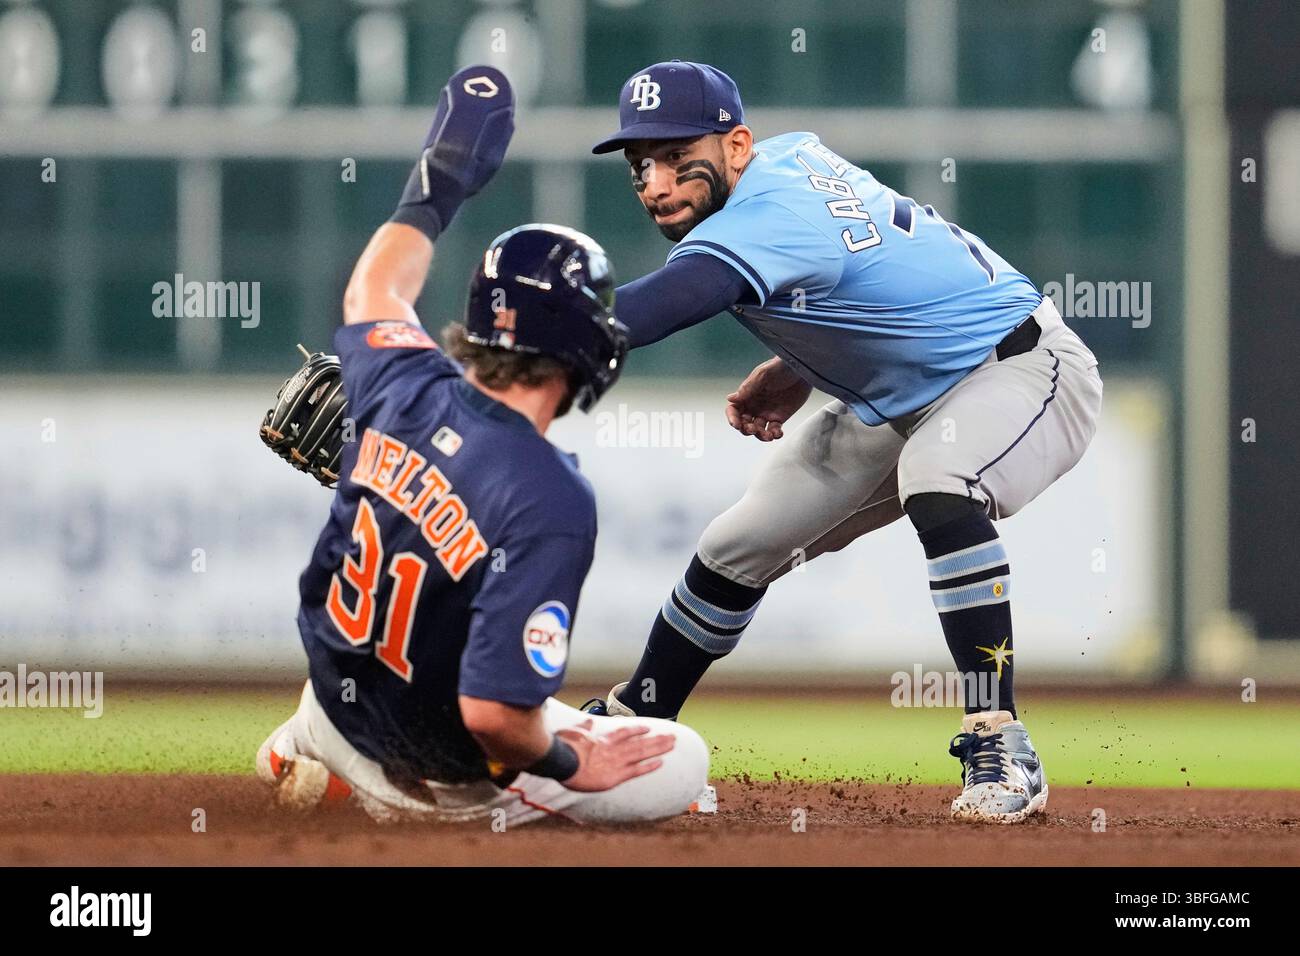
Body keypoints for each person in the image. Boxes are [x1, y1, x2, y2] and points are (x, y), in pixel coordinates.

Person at [582, 60, 1104, 823]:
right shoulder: (789, 156)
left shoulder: (763, 217)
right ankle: (637, 729)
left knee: (940, 476)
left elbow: (650, 313)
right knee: (738, 545)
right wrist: (796, 365)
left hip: (1023, 367)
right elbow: (869, 268)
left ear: (735, 145)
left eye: (674, 154)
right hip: (904, 395)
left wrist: (499, 337)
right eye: (641, 165)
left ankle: (1000, 738)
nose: (657, 182)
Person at [255, 65, 708, 825]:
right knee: (682, 764)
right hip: (430, 769)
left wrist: (445, 173)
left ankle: (306, 743)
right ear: (584, 347)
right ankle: (397, 797)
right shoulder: (551, 497)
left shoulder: (402, 381)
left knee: (467, 655)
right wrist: (571, 761)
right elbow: (495, 715)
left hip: (333, 693)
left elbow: (376, 288)